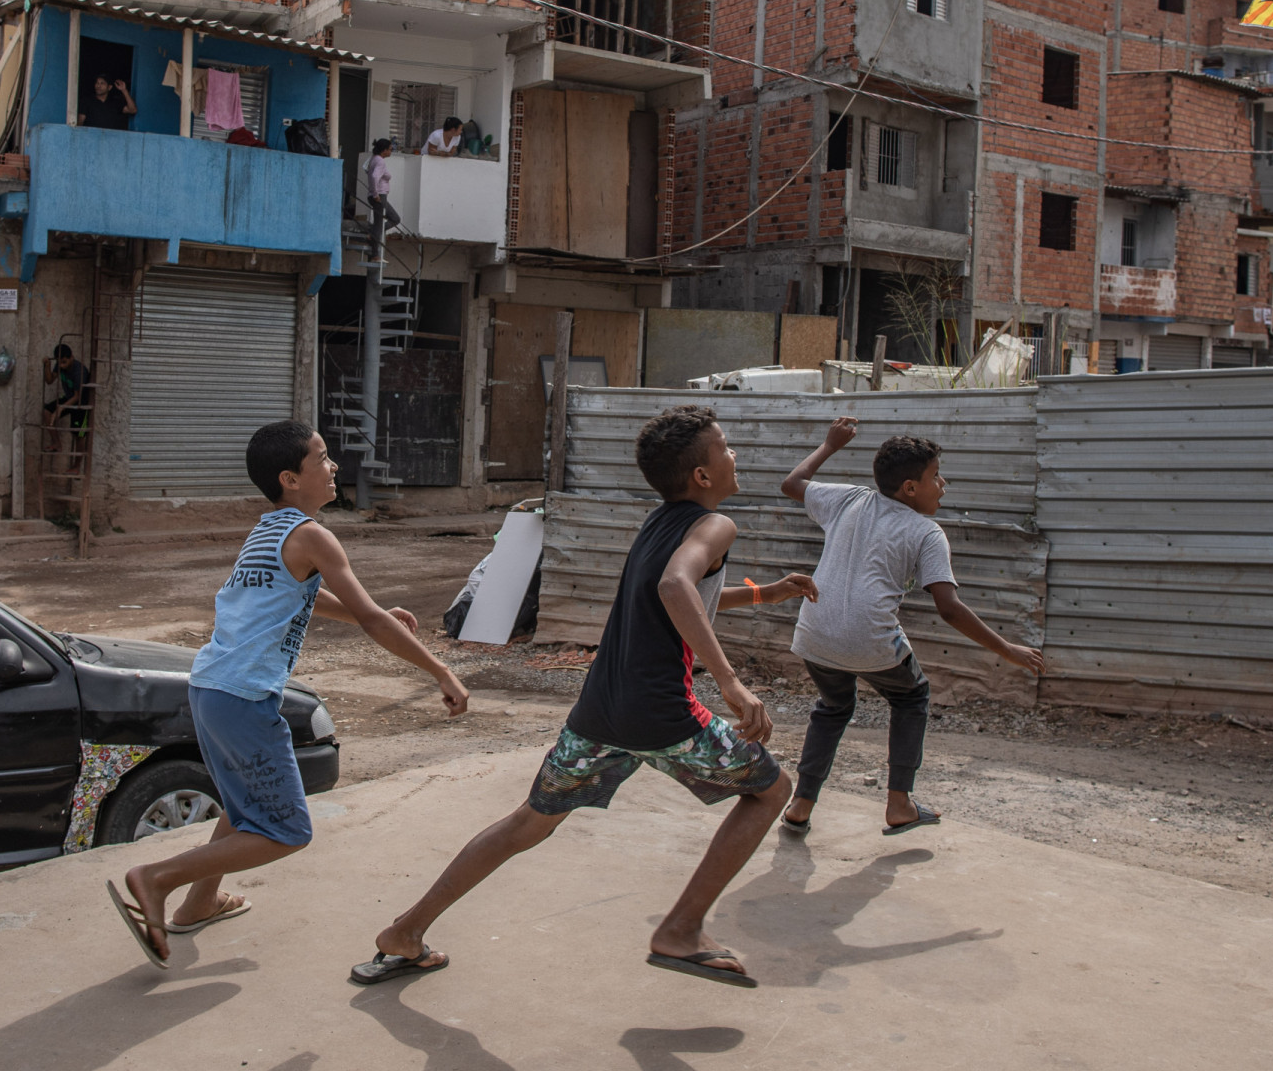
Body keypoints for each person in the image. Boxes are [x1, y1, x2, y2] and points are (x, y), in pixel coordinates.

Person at [353, 405, 816, 989]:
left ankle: (405, 931)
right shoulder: (715, 526)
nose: (733, 456)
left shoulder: (659, 522)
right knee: (772, 788)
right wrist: (728, 679)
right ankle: (680, 929)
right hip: (664, 714)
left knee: (528, 823)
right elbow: (676, 587)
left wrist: (765, 594)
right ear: (701, 475)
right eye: (724, 448)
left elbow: (675, 595)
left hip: (599, 712)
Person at [110, 420, 470, 971]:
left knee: (242, 805)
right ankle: (155, 878)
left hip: (211, 690)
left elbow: (307, 596)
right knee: (286, 832)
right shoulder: (313, 534)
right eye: (322, 459)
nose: (333, 468)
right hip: (244, 700)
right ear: (290, 478)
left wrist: (368, 611)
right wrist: (440, 669)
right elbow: (371, 619)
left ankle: (197, 903)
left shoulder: (270, 531)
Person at [777, 418, 1045, 838]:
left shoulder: (849, 500)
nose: (944, 483)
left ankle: (801, 803)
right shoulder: (926, 531)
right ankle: (899, 803)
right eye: (935, 476)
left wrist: (830, 445)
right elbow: (950, 610)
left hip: (814, 630)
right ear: (909, 489)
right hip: (869, 637)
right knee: (912, 697)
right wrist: (1008, 649)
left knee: (833, 708)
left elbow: (793, 483)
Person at [42, 344, 91, 474]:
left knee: (79, 435)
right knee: (47, 411)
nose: (61, 365)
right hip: (69, 398)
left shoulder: (79, 371)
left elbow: (77, 396)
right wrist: (47, 366)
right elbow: (49, 380)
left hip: (81, 403)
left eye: (64, 362)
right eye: (59, 362)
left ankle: (76, 466)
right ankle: (56, 443)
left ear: (71, 358)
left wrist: (61, 408)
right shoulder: (59, 364)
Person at [363, 137, 402, 242]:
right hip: (379, 195)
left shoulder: (374, 158)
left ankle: (374, 232)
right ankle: (373, 234)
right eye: (390, 149)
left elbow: (367, 171)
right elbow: (375, 176)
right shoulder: (380, 161)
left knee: (379, 222)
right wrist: (375, 194)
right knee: (394, 219)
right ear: (384, 150)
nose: (391, 151)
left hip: (376, 195)